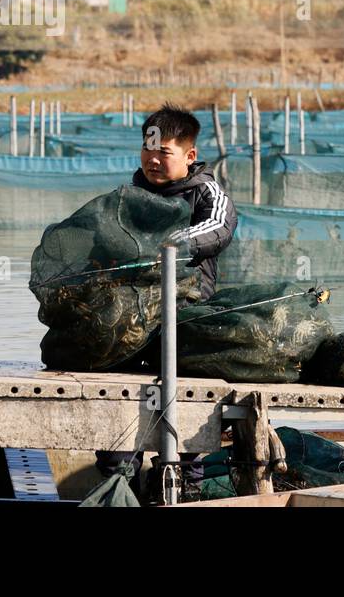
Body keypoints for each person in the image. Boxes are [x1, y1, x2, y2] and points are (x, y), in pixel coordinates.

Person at [95, 103, 238, 502]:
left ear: (189, 156)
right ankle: (118, 483)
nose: (153, 160)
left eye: (164, 153)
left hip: (186, 320)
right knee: (119, 419)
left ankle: (183, 489)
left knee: (186, 417)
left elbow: (219, 228)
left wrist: (179, 242)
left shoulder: (207, 192)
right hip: (130, 323)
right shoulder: (127, 197)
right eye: (148, 151)